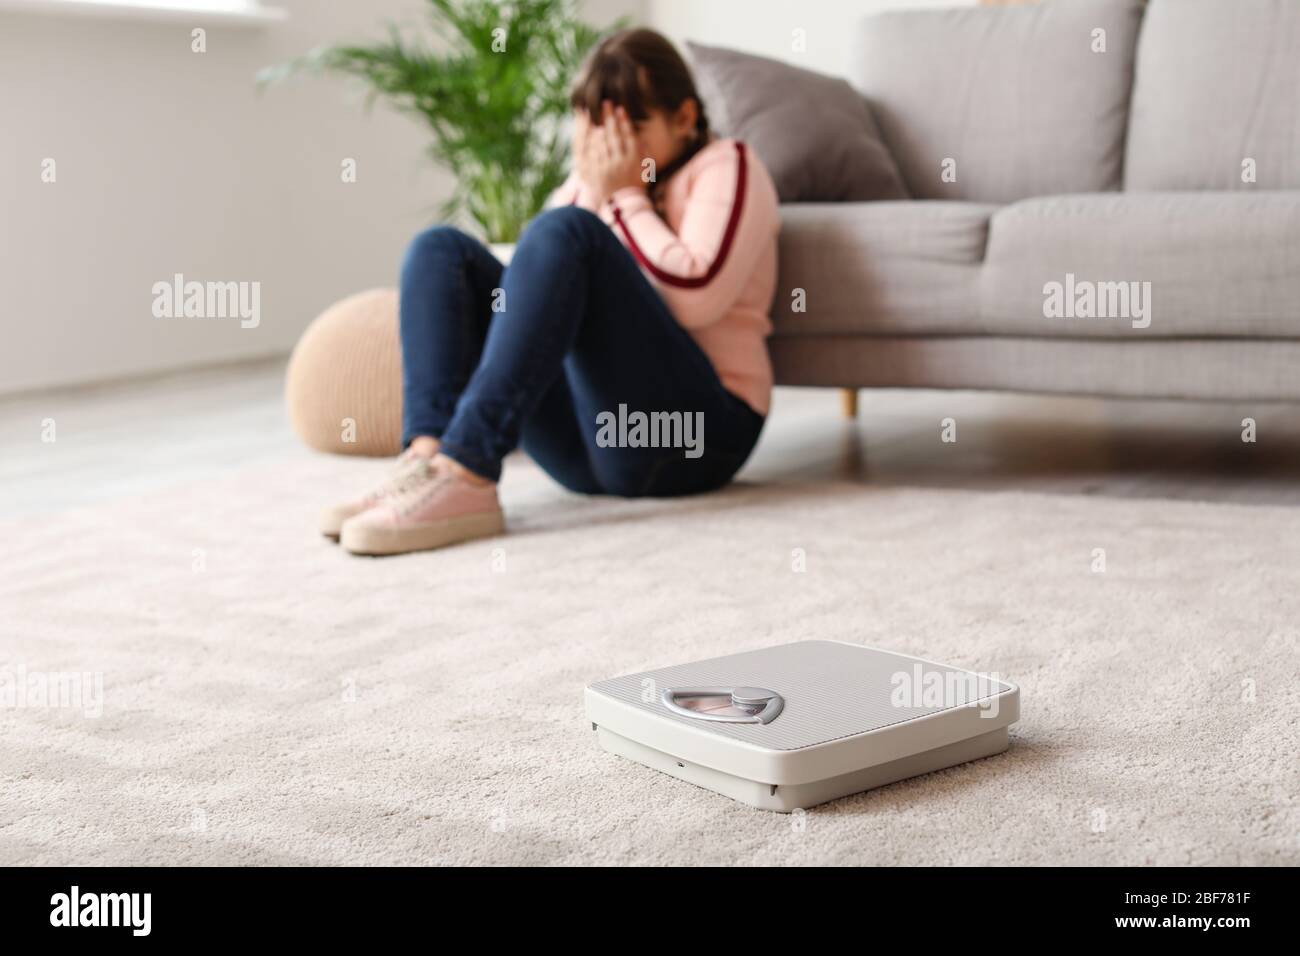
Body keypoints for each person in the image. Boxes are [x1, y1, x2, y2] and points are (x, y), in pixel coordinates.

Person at [321, 28, 780, 556]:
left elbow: (699, 294)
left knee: (564, 232)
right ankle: (427, 462)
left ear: (684, 117)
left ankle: (467, 468)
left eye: (631, 129)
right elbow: (535, 293)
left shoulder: (727, 165)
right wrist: (595, 191)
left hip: (691, 438)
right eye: (595, 132)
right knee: (441, 250)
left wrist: (623, 196)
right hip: (586, 450)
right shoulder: (598, 185)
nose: (612, 149)